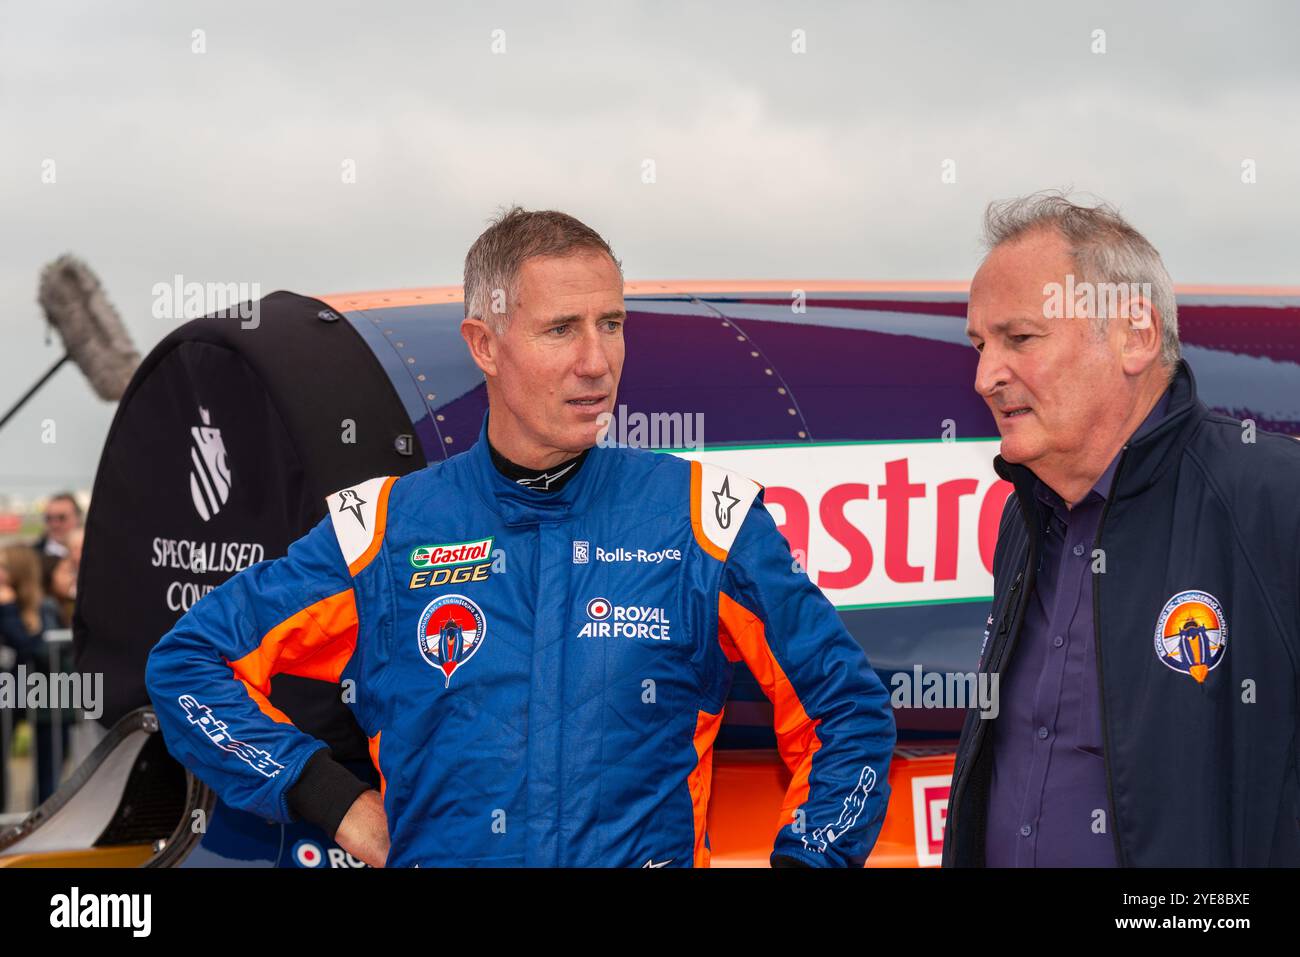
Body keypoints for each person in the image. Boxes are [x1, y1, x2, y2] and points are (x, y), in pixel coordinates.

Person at [146, 207, 896, 868]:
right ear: (484, 342)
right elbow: (189, 664)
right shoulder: (384, 530)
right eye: (562, 329)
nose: (596, 362)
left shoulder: (703, 516)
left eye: (612, 324)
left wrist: (812, 858)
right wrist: (336, 802)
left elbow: (848, 711)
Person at [945, 192, 1300, 867]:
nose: (986, 375)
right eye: (980, 344)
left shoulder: (1274, 500)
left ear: (1135, 335)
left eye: (1019, 338)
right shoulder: (1025, 522)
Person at [0, 544, 69, 805]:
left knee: (49, 769)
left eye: (4, 567)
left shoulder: (35, 607)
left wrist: (7, 609)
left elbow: (30, 645)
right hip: (13, 697)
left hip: (27, 697)